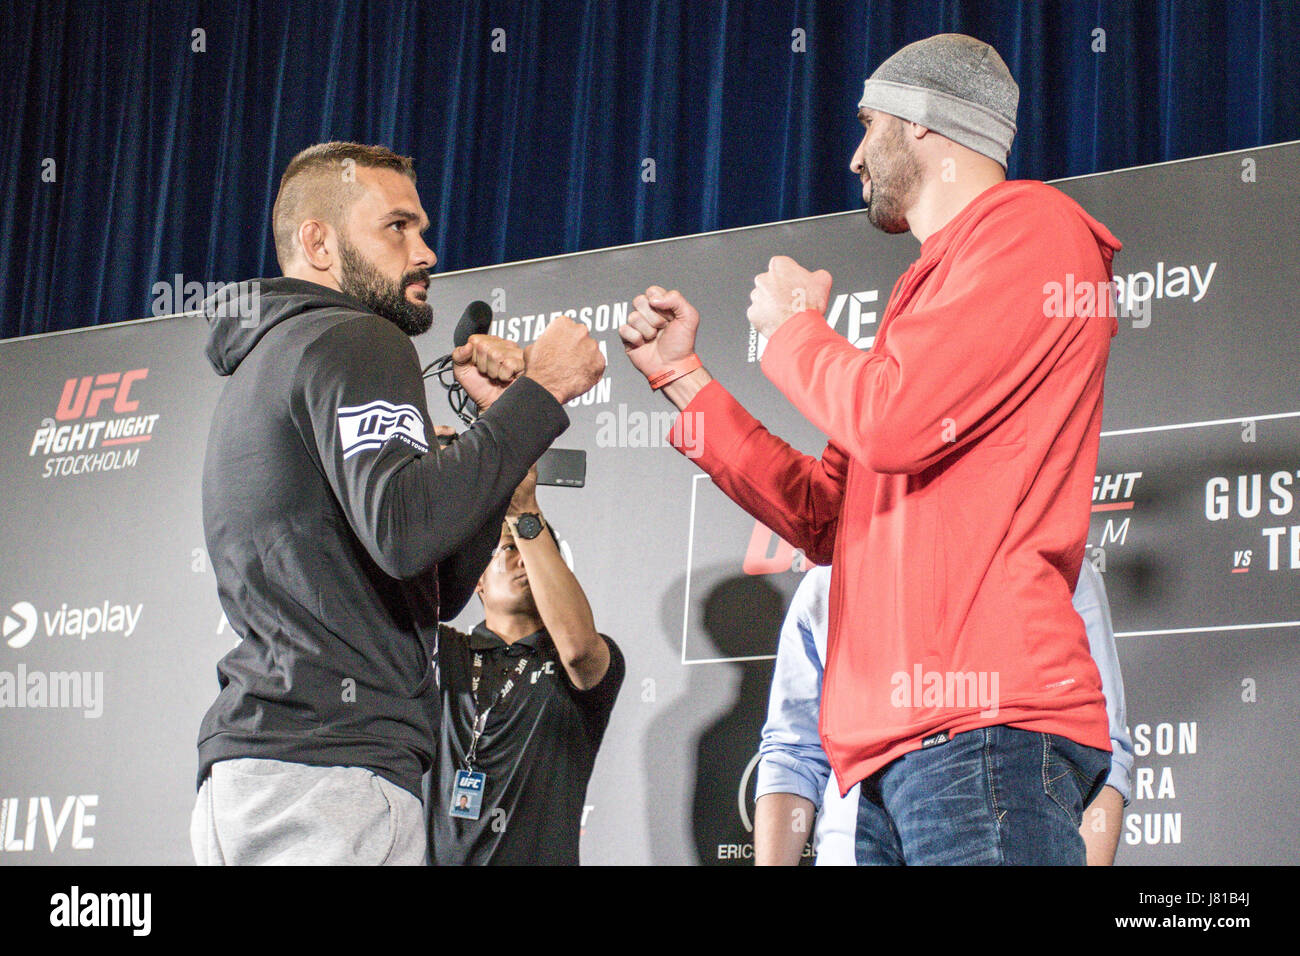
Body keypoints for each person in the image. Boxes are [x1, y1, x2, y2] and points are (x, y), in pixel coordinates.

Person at [619, 34, 1123, 864]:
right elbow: (825, 516)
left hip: (985, 732)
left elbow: (894, 420)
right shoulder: (928, 288)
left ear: (925, 125)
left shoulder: (1030, 228)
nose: (854, 156)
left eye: (866, 123)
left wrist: (793, 330)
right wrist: (683, 383)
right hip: (901, 757)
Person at [191, 141, 605, 865]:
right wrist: (542, 393)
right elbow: (405, 530)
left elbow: (432, 587)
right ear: (318, 241)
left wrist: (493, 432)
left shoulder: (271, 357)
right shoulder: (359, 336)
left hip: (255, 774)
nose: (427, 251)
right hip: (333, 781)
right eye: (397, 228)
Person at [754, 561, 1135, 865]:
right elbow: (793, 756)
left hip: (1005, 830)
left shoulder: (1054, 562)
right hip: (852, 846)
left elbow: (1103, 742)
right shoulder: (827, 577)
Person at [428, 467, 623, 865]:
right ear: (477, 580)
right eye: (510, 547)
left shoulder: (579, 661)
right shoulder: (440, 649)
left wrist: (524, 514)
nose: (526, 560)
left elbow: (578, 652)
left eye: (535, 547)